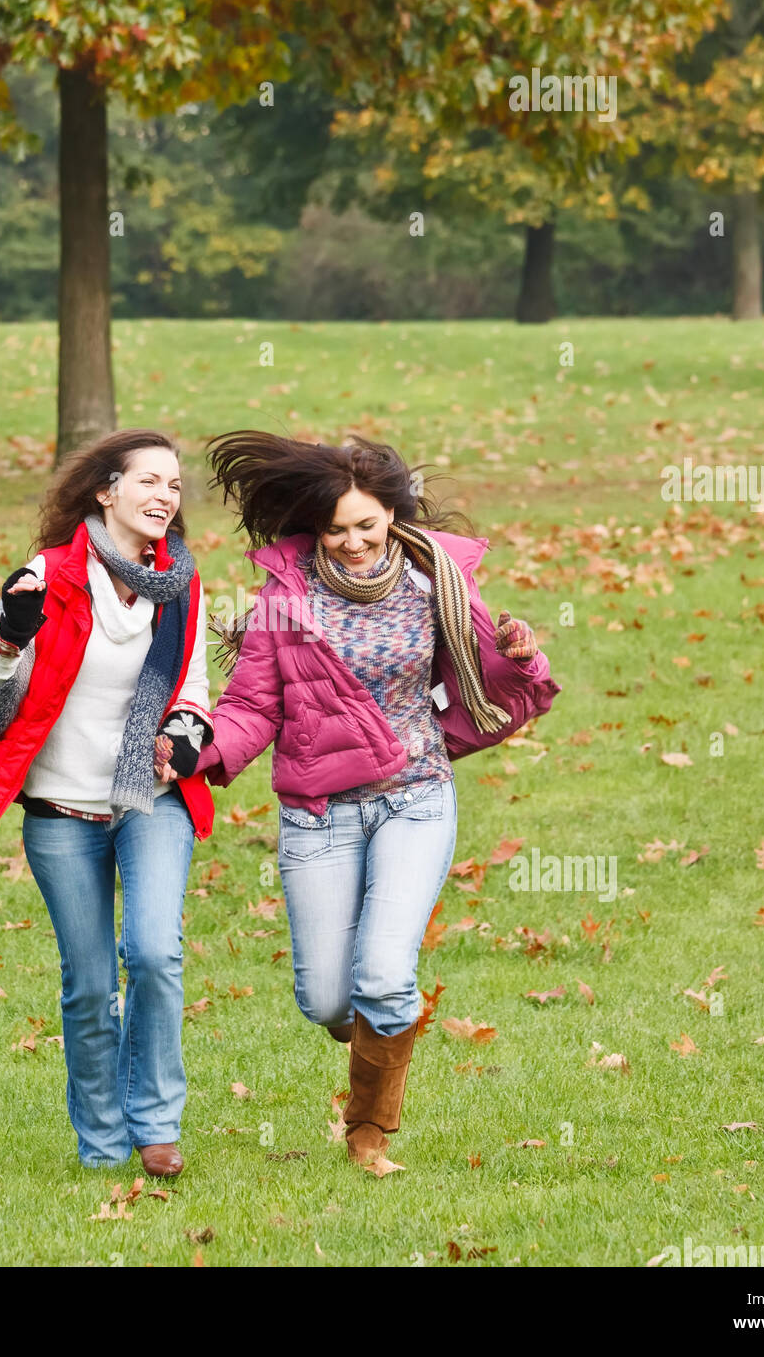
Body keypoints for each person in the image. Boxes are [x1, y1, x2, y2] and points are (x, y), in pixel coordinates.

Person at [195, 431, 559, 1165]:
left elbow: (495, 675)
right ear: (314, 528)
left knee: (387, 974)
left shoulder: (438, 584)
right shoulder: (286, 598)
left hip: (415, 798)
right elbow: (252, 705)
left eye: (367, 524)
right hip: (319, 813)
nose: (354, 542)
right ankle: (369, 1026)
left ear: (395, 514)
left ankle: (368, 1133)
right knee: (329, 1001)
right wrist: (201, 750)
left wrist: (525, 655)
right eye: (336, 529)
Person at [0, 430, 215, 1176]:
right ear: (106, 491)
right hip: (62, 812)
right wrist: (11, 634)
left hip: (150, 800)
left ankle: (157, 1125)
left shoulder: (184, 582)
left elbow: (193, 688)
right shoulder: (52, 575)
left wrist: (185, 735)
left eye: (174, 485)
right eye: (149, 481)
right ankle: (103, 1144)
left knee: (156, 953)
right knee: (92, 986)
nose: (166, 496)